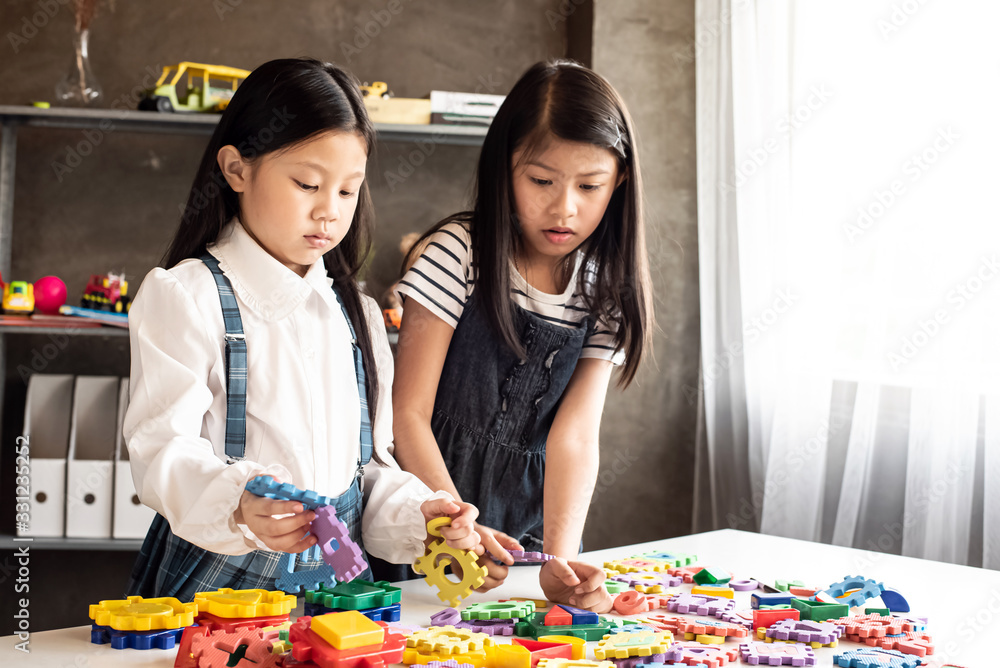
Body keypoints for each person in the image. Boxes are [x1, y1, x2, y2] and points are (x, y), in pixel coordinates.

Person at [123, 58, 479, 603]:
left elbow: (366, 479)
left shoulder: (355, 313)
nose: (328, 213)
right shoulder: (186, 297)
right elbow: (160, 454)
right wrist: (240, 504)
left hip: (340, 600)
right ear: (236, 169)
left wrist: (422, 516)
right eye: (308, 183)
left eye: (347, 190)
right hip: (217, 597)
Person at [387, 59, 653, 611]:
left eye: (589, 185)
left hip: (533, 533)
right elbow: (406, 415)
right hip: (429, 519)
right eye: (540, 181)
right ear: (505, 167)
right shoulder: (457, 253)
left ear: (619, 180)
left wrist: (559, 561)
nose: (564, 208)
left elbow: (575, 437)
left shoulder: (604, 288)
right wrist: (456, 526)